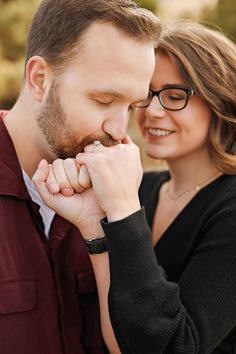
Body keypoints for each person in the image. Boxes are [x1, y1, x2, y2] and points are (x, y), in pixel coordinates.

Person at [33, 20, 236, 353]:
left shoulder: (228, 207)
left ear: (221, 102)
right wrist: (94, 226)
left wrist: (123, 208)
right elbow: (124, 343)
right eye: (145, 96)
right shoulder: (144, 188)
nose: (152, 111)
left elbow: (176, 346)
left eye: (174, 96)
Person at [0, 0, 161, 353]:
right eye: (104, 101)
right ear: (40, 80)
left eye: (132, 107)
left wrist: (111, 223)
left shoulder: (114, 195)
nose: (121, 131)